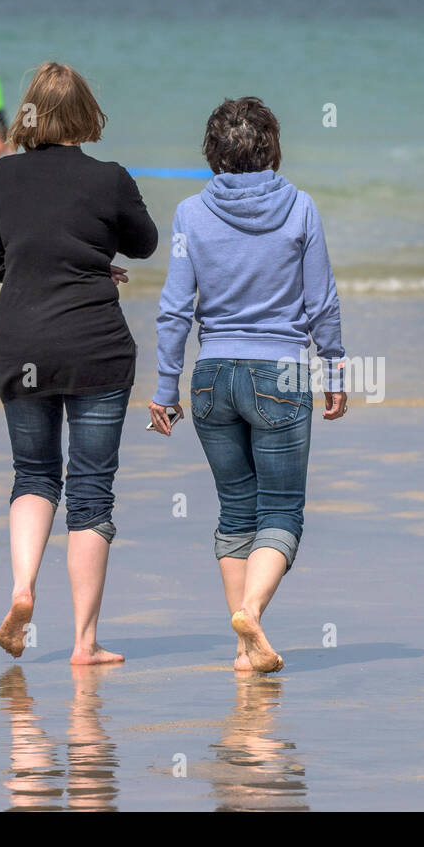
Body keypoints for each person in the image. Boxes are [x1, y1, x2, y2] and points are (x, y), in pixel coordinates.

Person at [150, 97, 348, 675]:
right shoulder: (302, 208)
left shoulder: (189, 213)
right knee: (282, 509)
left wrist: (166, 388)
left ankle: (244, 648)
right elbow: (323, 302)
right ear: (273, 147)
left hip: (212, 375)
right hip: (281, 373)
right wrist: (334, 369)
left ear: (212, 153)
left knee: (235, 510)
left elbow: (173, 310)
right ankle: (252, 613)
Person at [0, 62, 159, 665]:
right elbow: (145, 243)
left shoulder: (3, 176)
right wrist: (88, 264)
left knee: (32, 475)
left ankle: (22, 588)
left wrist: (56, 262)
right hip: (95, 348)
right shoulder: (108, 178)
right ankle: (84, 642)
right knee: (91, 493)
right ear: (86, 115)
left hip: (22, 344)